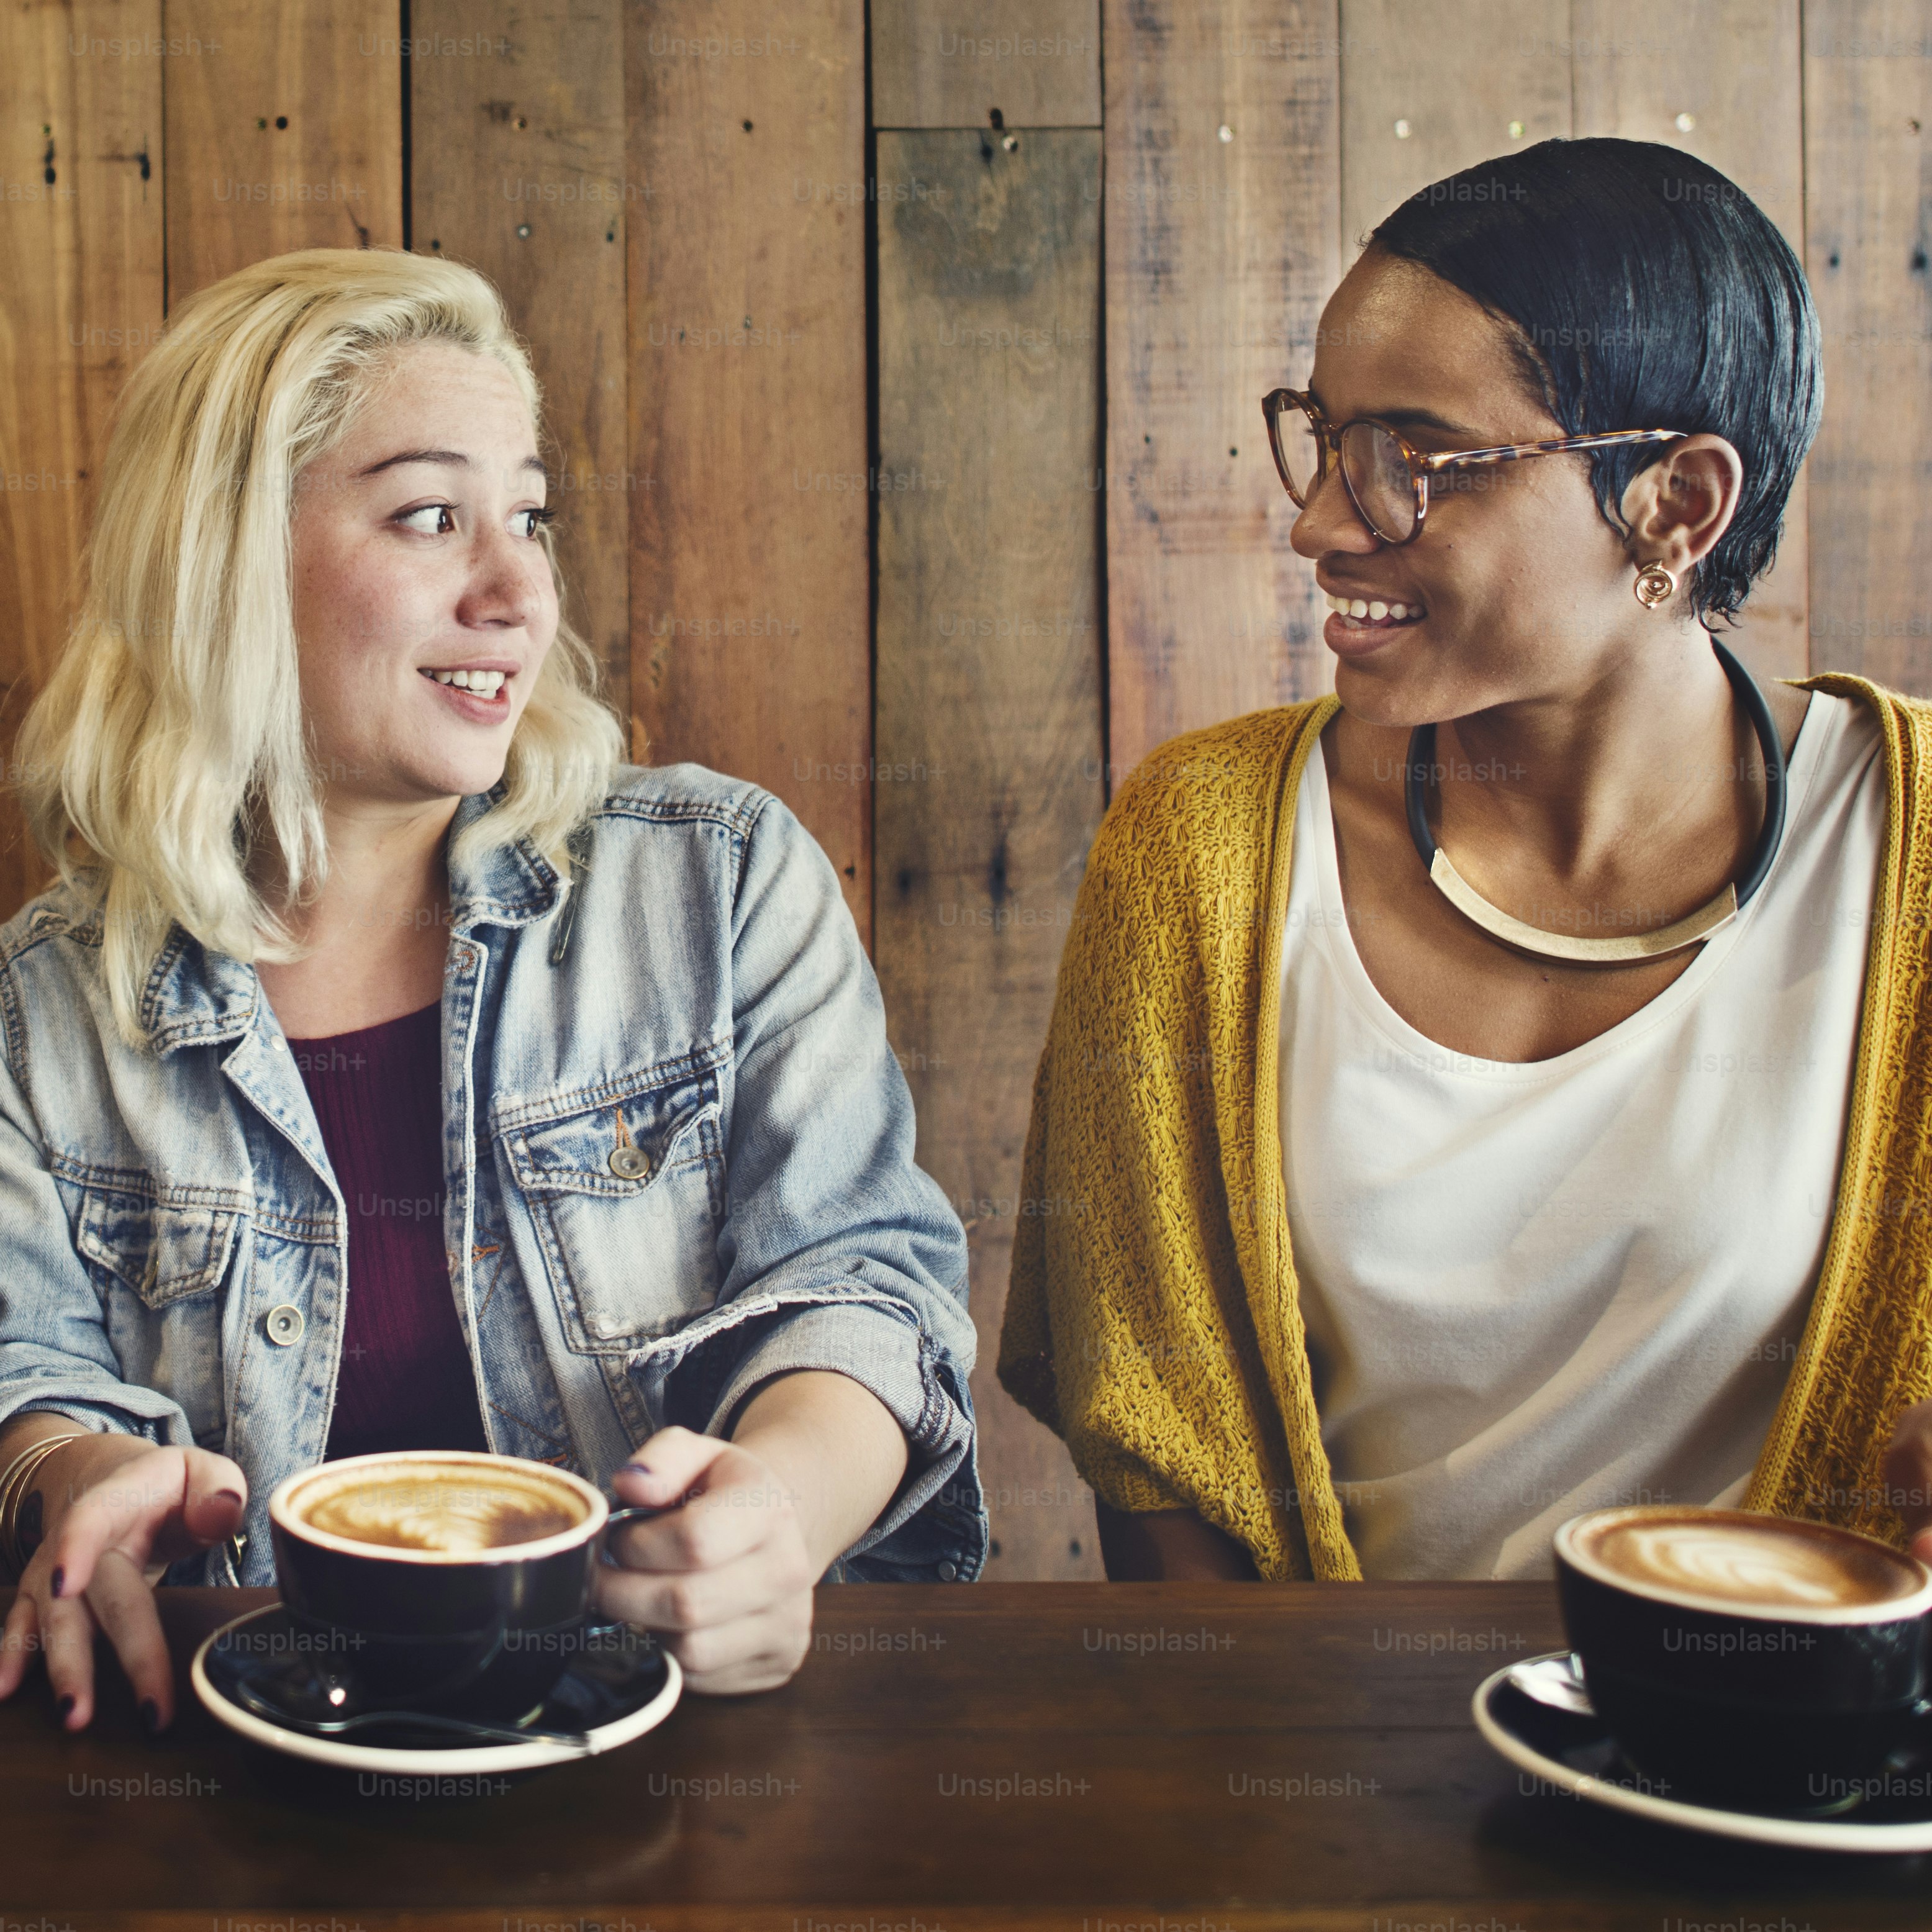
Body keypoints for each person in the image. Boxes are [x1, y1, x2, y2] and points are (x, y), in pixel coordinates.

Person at [0, 247, 983, 1734]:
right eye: (430, 516)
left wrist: (778, 1506)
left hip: (696, 1751)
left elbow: (864, 1287)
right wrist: (74, 1475)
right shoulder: (39, 1009)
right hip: (233, 1766)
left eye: (527, 514)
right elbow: (27, 1363)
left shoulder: (715, 882)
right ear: (222, 559)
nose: (520, 589)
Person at [1000, 137, 1932, 1584]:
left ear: (1675, 505)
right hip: (1317, 1764)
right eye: (1320, 438)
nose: (1318, 522)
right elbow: (1154, 1452)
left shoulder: (1907, 849)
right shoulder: (1197, 852)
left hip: (1801, 1772)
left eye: (1413, 462)